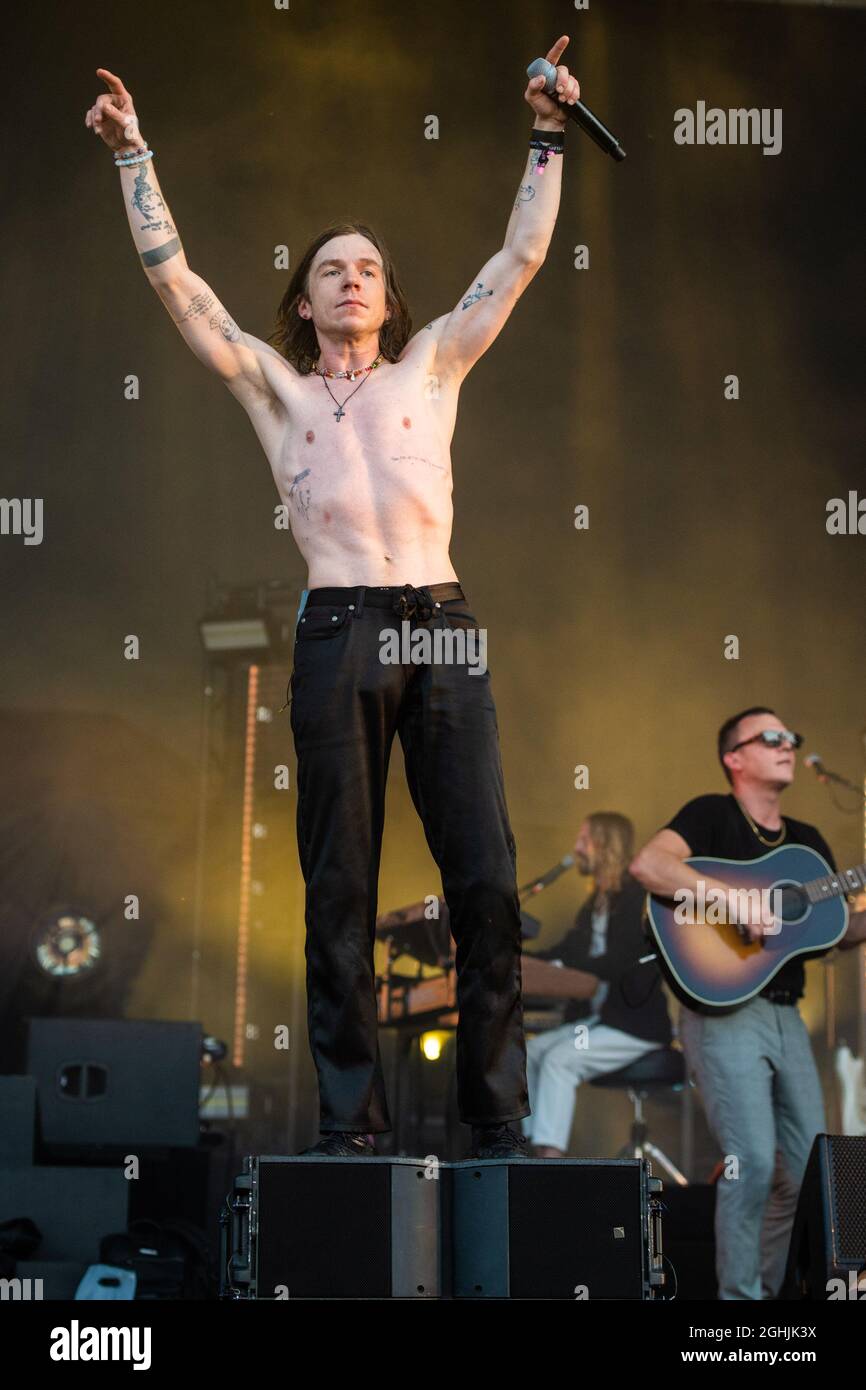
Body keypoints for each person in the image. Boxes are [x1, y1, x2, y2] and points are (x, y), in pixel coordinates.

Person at [85, 38, 582, 1159]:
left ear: (388, 297)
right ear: (304, 306)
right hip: (338, 625)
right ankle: (351, 1130)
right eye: (329, 271)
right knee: (337, 891)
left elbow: (516, 258)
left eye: (366, 268)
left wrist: (546, 132)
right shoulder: (277, 391)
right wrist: (134, 158)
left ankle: (494, 1119)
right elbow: (180, 287)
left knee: (487, 880)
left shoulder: (433, 368)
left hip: (439, 620)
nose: (351, 278)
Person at [630, 706, 866, 1299]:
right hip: (722, 1011)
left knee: (808, 1169)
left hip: (787, 1014)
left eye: (791, 736)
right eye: (771, 737)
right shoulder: (710, 815)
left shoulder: (808, 846)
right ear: (734, 757)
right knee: (752, 1162)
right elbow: (651, 865)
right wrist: (729, 901)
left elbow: (836, 931)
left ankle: (765, 1297)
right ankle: (738, 1309)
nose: (788, 744)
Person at [522, 814, 671, 1157]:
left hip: (636, 1026)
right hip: (601, 1020)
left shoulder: (637, 898)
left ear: (606, 846)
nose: (576, 849)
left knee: (561, 1060)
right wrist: (524, 960)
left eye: (584, 840)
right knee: (531, 1052)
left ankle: (548, 1158)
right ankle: (527, 1147)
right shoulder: (594, 903)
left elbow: (622, 960)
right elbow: (567, 951)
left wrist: (560, 967)